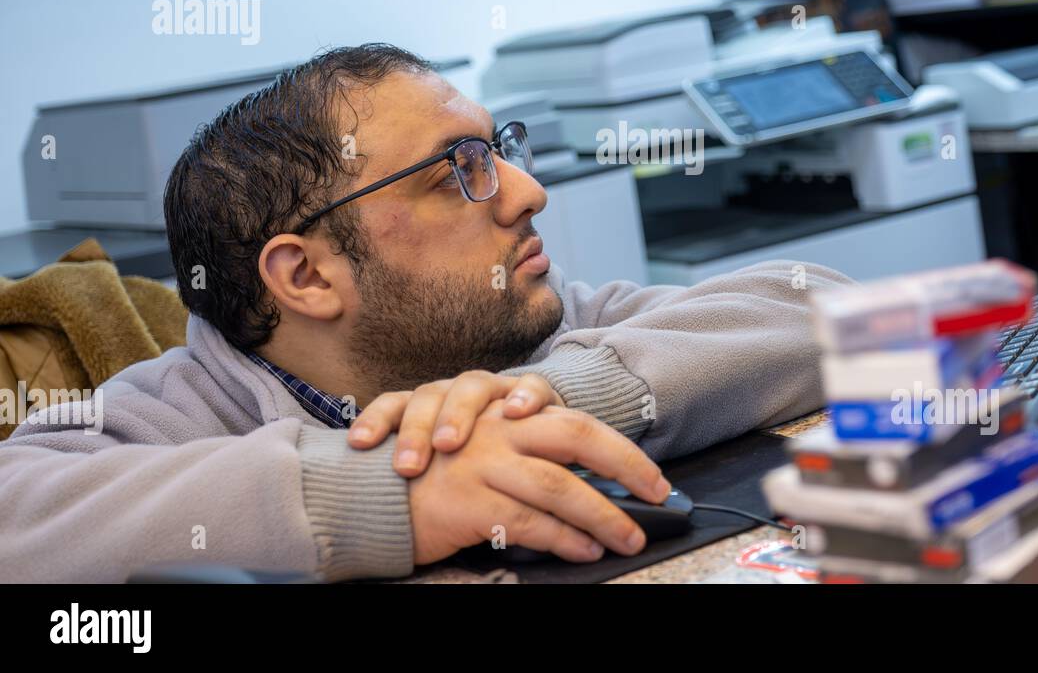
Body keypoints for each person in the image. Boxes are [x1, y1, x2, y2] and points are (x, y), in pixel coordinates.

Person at [0, 43, 850, 582]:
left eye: (499, 150)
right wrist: (389, 490)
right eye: (458, 170)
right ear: (306, 276)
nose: (528, 192)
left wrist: (551, 404)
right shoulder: (165, 415)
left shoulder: (531, 331)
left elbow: (825, 305)